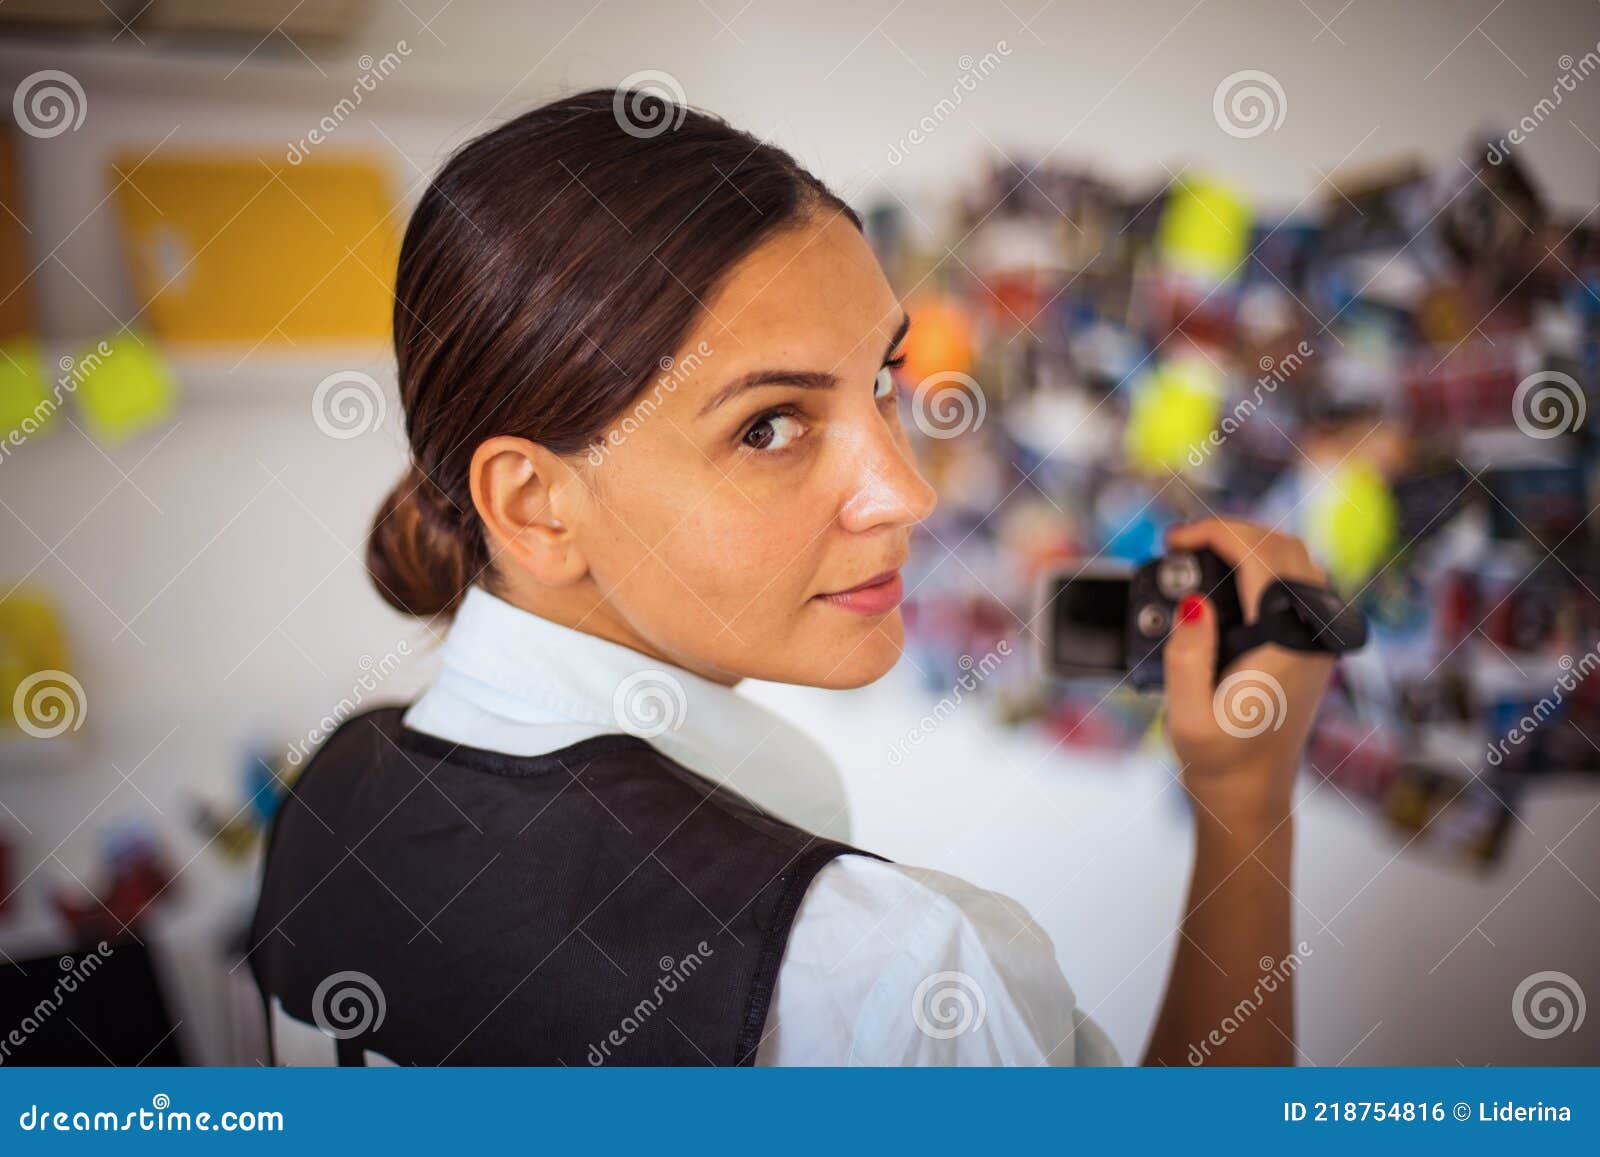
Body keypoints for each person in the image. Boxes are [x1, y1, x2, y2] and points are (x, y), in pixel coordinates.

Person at [248, 87, 1335, 1067]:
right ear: (535, 504)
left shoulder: (330, 798)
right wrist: (1245, 805)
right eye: (769, 424)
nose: (904, 491)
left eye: (881, 383)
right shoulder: (898, 979)